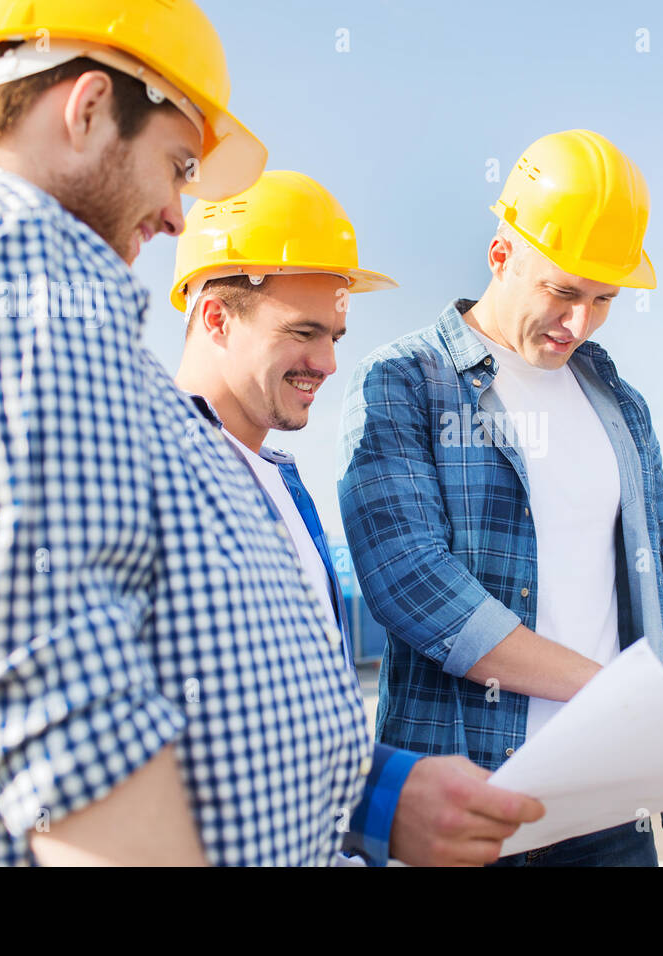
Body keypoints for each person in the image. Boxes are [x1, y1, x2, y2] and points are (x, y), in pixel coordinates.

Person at [0, 0, 410, 866]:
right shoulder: (9, 247)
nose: (181, 217)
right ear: (87, 109)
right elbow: (61, 688)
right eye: (178, 166)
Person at [337, 129, 663, 866]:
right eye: (562, 292)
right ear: (501, 256)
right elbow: (410, 582)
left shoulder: (614, 398)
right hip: (472, 800)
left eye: (602, 299)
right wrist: (615, 692)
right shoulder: (405, 382)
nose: (578, 323)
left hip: (609, 806)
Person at [169, 170, 543, 865]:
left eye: (336, 334)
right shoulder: (146, 471)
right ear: (215, 317)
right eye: (303, 333)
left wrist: (388, 794)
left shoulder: (284, 487)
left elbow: (288, 731)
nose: (329, 362)